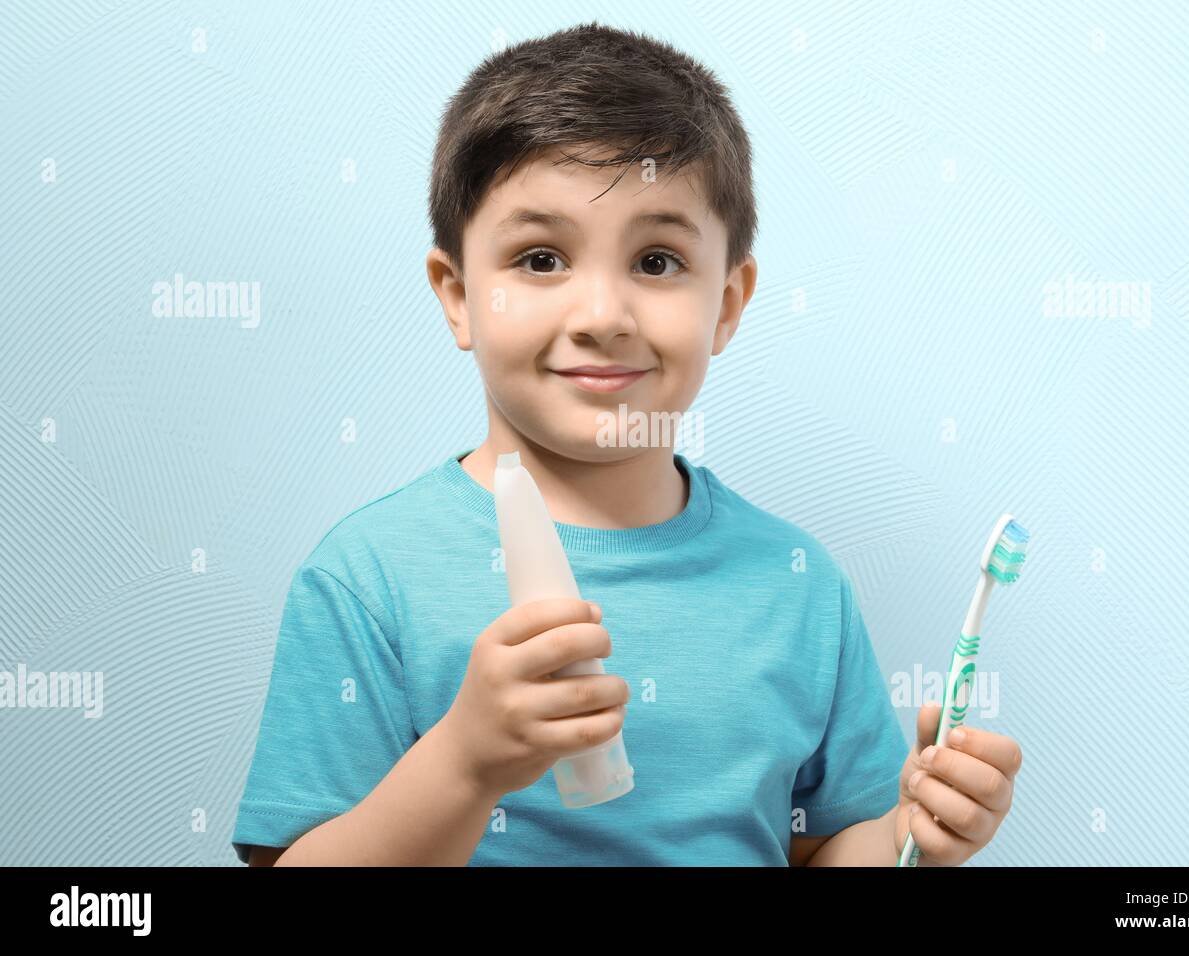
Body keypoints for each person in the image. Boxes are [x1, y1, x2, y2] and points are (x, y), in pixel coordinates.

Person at [231, 21, 1021, 867]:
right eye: (540, 258)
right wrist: (464, 764)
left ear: (726, 302)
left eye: (655, 262)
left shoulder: (800, 588)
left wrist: (915, 834)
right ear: (458, 296)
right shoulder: (368, 579)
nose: (603, 316)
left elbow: (821, 851)